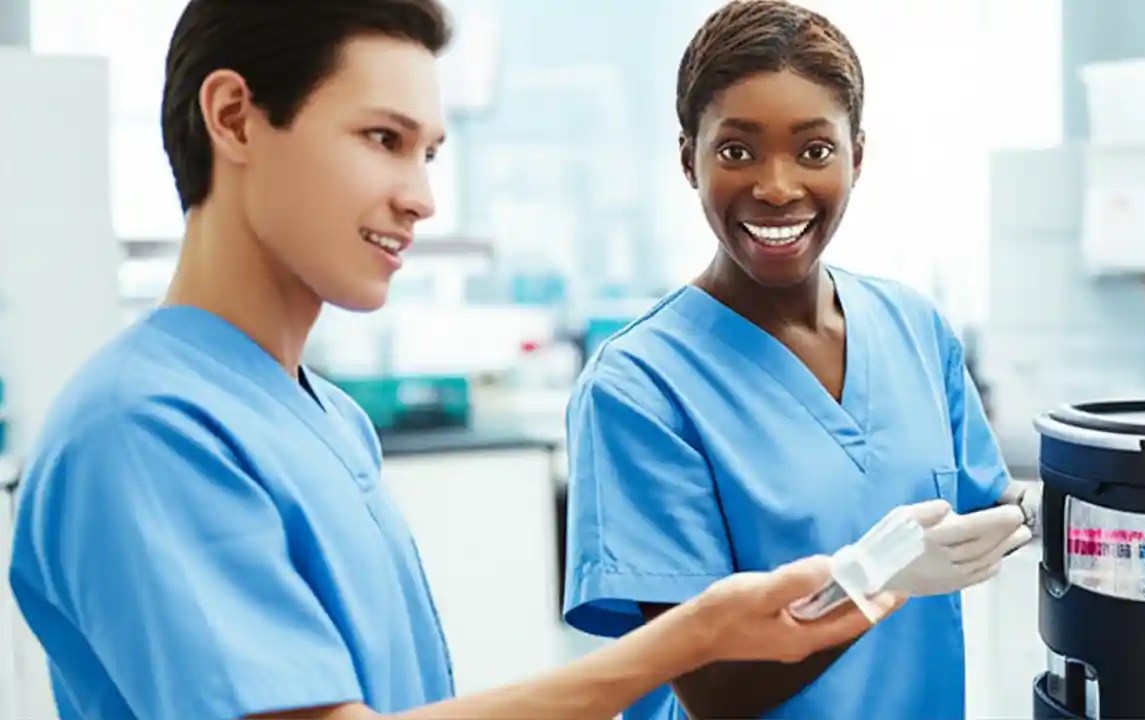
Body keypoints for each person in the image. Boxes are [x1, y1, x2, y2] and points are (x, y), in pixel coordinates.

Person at [5, 2, 905, 719]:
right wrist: (689, 639)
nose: (423, 198)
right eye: (382, 140)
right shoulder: (143, 432)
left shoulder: (326, 419)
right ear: (235, 116)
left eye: (430, 152)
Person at [561, 1, 1037, 718]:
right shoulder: (640, 385)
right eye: (737, 150)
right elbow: (710, 689)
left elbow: (980, 512)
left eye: (814, 150)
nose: (777, 186)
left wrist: (1069, 504)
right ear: (688, 158)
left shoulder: (913, 327)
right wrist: (877, 578)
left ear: (858, 157)